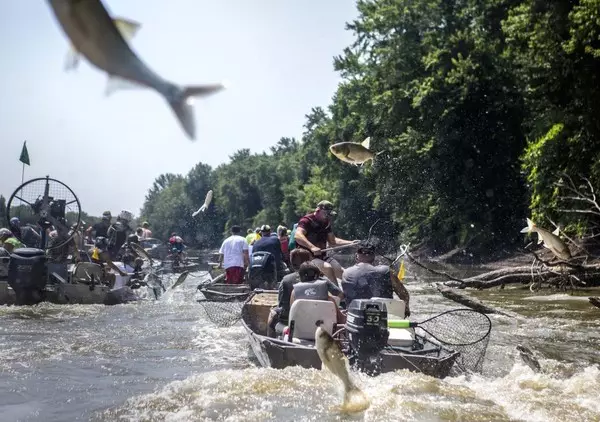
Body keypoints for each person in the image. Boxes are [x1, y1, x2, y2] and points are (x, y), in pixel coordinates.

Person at [294, 200, 357, 285]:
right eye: (326, 214)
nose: (328, 216)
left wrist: (351, 243)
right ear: (318, 210)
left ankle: (350, 291)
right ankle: (337, 294)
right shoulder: (306, 220)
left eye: (330, 214)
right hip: (307, 258)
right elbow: (298, 236)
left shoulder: (326, 223)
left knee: (340, 270)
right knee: (328, 268)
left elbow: (333, 241)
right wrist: (312, 247)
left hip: (321, 256)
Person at [342, 242, 411, 316]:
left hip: (356, 317)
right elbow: (404, 295)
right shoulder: (387, 271)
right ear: (374, 257)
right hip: (385, 318)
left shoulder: (346, 273)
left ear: (356, 256)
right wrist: (406, 309)